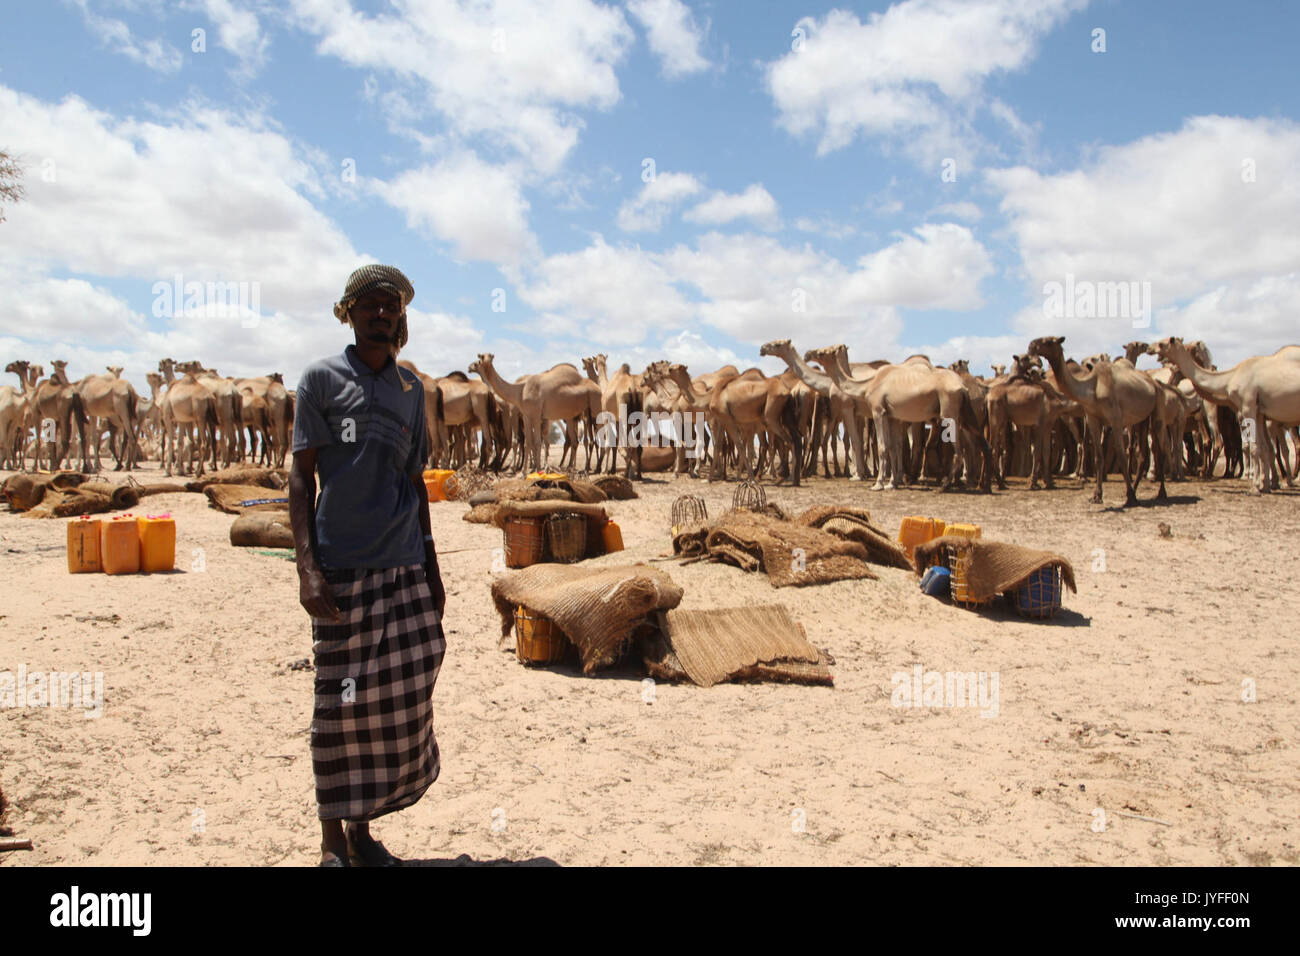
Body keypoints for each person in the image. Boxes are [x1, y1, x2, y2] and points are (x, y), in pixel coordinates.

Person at [288, 264, 447, 867]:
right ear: (349, 312)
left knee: (396, 697)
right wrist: (307, 568)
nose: (382, 314)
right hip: (343, 564)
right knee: (338, 705)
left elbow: (415, 481)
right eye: (371, 305)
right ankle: (332, 841)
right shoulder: (320, 379)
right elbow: (301, 478)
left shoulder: (411, 389)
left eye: (391, 307)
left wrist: (432, 570)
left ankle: (363, 831)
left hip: (404, 560)